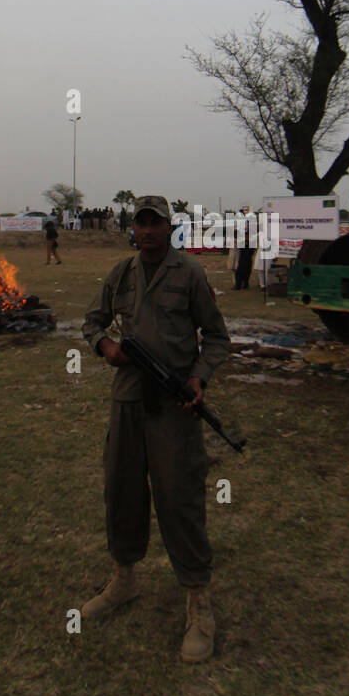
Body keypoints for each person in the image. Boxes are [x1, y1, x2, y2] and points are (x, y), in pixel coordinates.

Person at [80, 195, 231, 664]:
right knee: (122, 491)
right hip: (127, 399)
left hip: (172, 405)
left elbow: (217, 338)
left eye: (155, 223)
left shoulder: (190, 274)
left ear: (169, 228)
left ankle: (199, 603)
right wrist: (106, 346)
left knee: (179, 497)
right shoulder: (121, 273)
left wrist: (198, 378)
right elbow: (92, 322)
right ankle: (124, 580)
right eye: (140, 223)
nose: (147, 230)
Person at [233, 204, 255, 290]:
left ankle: (239, 284)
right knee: (247, 265)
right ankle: (245, 283)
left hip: (246, 246)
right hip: (248, 246)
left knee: (242, 266)